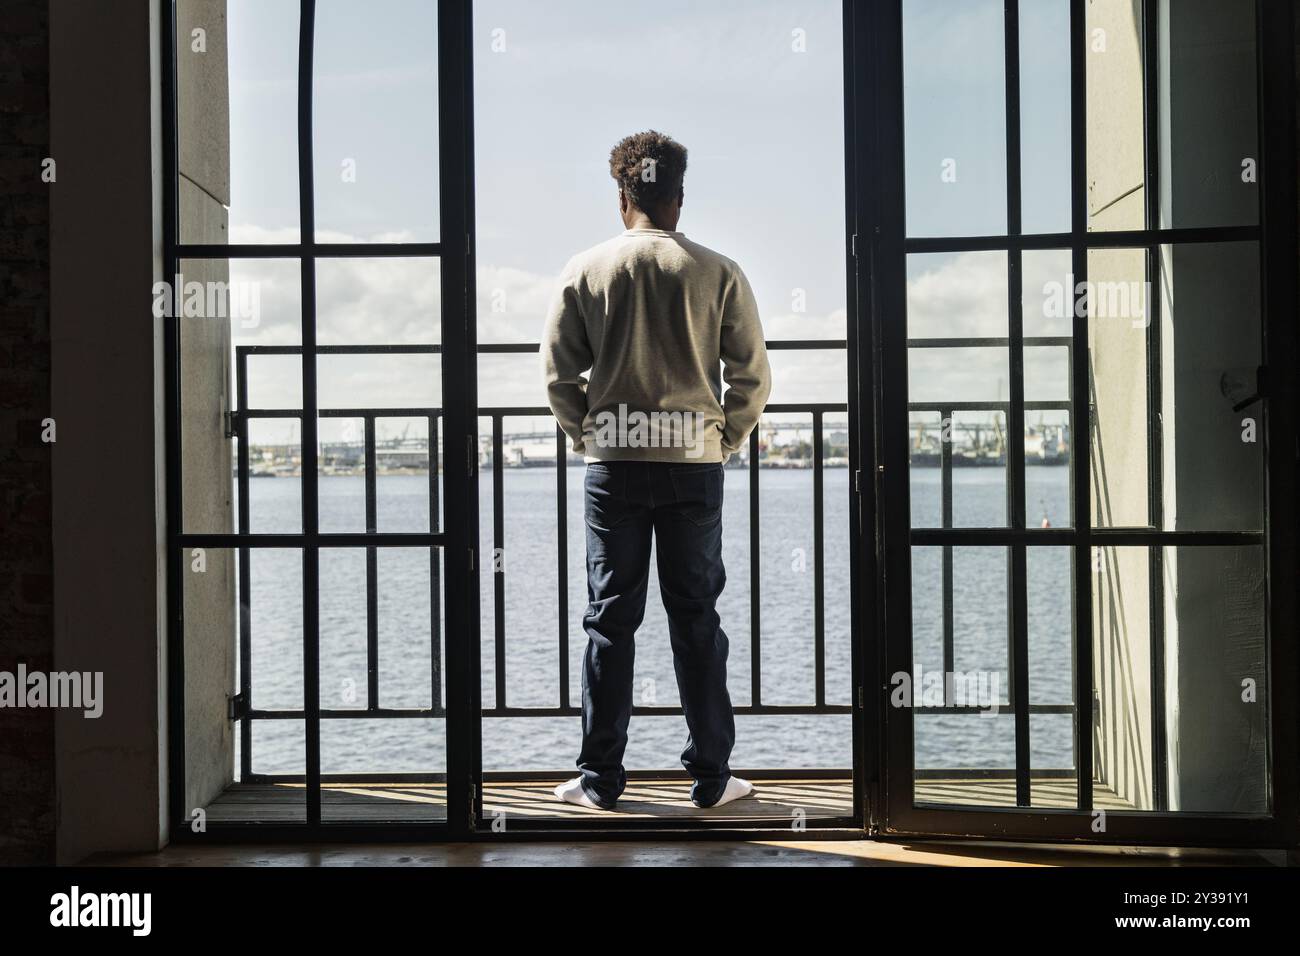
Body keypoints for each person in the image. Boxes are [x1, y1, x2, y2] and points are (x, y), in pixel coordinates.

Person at [539, 130, 772, 810]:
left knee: (611, 620)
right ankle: (710, 778)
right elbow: (751, 376)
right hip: (692, 464)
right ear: (677, 198)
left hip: (614, 462)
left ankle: (600, 782)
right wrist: (722, 437)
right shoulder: (717, 271)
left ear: (623, 198)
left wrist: (591, 434)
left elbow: (559, 374)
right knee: (695, 618)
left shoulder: (586, 270)